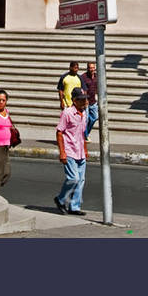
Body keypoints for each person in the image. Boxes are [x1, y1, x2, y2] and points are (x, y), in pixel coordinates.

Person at [54, 87, 89, 216]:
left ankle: (74, 206)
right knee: (73, 178)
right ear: (74, 100)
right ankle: (61, 199)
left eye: (85, 99)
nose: (84, 102)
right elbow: (59, 132)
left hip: (80, 150)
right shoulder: (67, 113)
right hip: (69, 150)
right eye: (81, 100)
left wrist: (85, 150)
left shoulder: (84, 113)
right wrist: (62, 152)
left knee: (81, 180)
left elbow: (83, 133)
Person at [80, 60, 99, 138]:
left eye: (93, 68)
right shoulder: (83, 77)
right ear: (87, 68)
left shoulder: (96, 76)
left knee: (95, 117)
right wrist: (85, 100)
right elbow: (82, 89)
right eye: (90, 68)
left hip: (93, 101)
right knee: (86, 119)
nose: (92, 69)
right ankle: (85, 135)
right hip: (86, 101)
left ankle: (85, 133)